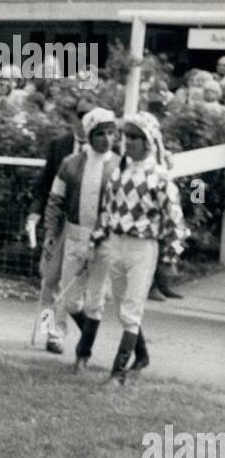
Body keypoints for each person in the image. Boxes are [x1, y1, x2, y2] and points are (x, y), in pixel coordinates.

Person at [88, 113, 187, 383]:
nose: (127, 142)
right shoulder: (120, 171)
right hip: (116, 244)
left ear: (148, 141)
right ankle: (141, 357)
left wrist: (170, 255)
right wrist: (97, 238)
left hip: (142, 247)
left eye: (134, 137)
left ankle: (117, 373)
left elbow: (174, 220)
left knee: (131, 309)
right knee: (121, 308)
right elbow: (107, 211)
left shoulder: (161, 177)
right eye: (126, 136)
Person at [41, 108, 119, 368]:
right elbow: (53, 197)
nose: (106, 139)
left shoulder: (119, 165)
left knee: (94, 297)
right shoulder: (69, 160)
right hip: (70, 233)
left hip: (103, 238)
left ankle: (83, 346)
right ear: (88, 133)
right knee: (53, 284)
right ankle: (50, 330)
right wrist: (49, 231)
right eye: (100, 134)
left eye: (111, 133)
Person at [26, 97, 96, 354]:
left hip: (85, 226)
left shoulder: (101, 153)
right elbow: (43, 186)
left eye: (91, 116)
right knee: (50, 279)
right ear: (73, 118)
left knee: (72, 284)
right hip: (58, 222)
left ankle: (62, 331)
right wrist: (35, 213)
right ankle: (49, 331)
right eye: (82, 115)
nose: (86, 121)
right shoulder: (59, 146)